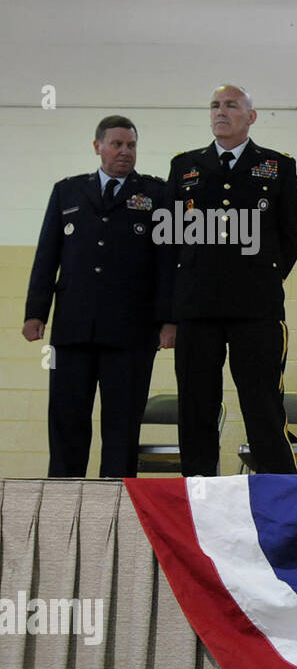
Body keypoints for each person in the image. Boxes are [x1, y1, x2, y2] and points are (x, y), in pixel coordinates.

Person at [165, 84, 297, 476]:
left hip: (256, 306)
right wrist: (170, 311)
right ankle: (199, 490)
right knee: (196, 404)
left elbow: (292, 234)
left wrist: (263, 275)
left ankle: (276, 492)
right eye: (215, 106)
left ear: (251, 117)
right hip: (197, 305)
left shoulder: (277, 165)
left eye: (230, 105)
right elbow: (170, 238)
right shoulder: (185, 165)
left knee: (262, 404)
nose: (220, 112)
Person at [22, 115, 171, 478]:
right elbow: (47, 255)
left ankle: (114, 501)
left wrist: (169, 320)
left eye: (131, 145)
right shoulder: (68, 192)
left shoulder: (157, 194)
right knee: (66, 419)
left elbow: (168, 263)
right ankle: (63, 498)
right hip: (73, 328)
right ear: (97, 147)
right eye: (117, 144)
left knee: (122, 424)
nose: (125, 152)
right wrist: (35, 312)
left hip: (132, 332)